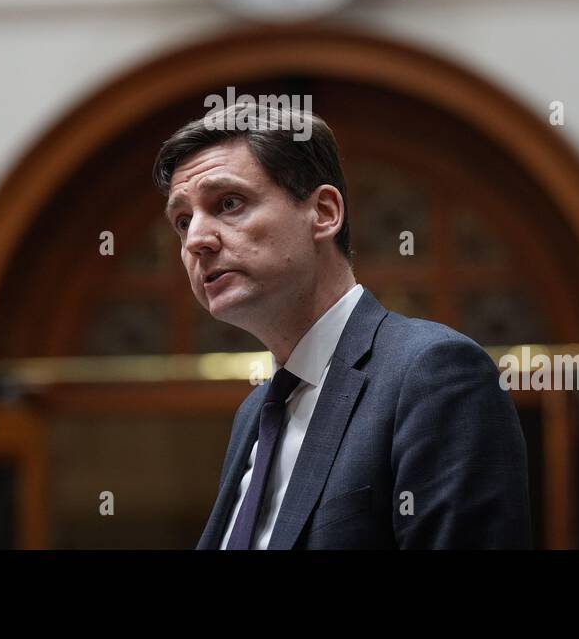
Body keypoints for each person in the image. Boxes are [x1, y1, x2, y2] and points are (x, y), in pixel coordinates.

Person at [152, 101, 531, 549]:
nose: (196, 239)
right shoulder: (254, 414)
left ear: (325, 212)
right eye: (182, 220)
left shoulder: (432, 374)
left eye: (228, 203)